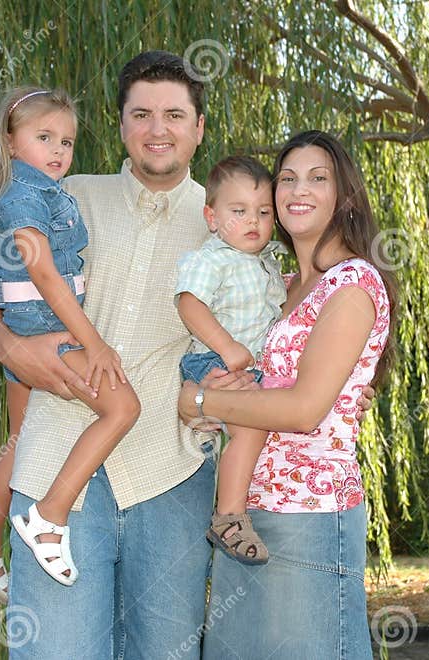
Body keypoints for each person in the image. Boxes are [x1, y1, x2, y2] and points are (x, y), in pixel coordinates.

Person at [0, 52, 374, 658]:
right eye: (142, 114)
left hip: (172, 478)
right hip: (55, 471)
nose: (159, 129)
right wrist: (10, 346)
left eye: (175, 115)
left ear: (199, 127)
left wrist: (297, 393)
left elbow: (284, 326)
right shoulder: (63, 195)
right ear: (121, 125)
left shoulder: (231, 218)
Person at [178, 130, 396, 659]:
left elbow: (302, 410)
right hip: (245, 515)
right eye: (288, 179)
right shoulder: (283, 282)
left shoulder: (350, 284)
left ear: (344, 196)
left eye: (318, 178)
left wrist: (199, 403)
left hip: (309, 512)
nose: (299, 190)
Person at [0, 86, 140, 598]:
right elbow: (43, 273)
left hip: (22, 333)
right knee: (122, 406)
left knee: (19, 441)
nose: (59, 150)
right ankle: (50, 516)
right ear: (11, 142)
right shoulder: (24, 199)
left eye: (67, 141)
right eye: (44, 137)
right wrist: (94, 343)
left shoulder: (33, 191)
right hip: (43, 331)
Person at [175, 156, 287, 564]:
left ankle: (232, 507)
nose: (252, 221)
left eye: (263, 212)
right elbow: (189, 303)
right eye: (238, 212)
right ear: (212, 216)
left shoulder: (266, 261)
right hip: (212, 361)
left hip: (242, 366)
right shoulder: (213, 258)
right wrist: (226, 346)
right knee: (251, 428)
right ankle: (229, 517)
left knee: (253, 428)